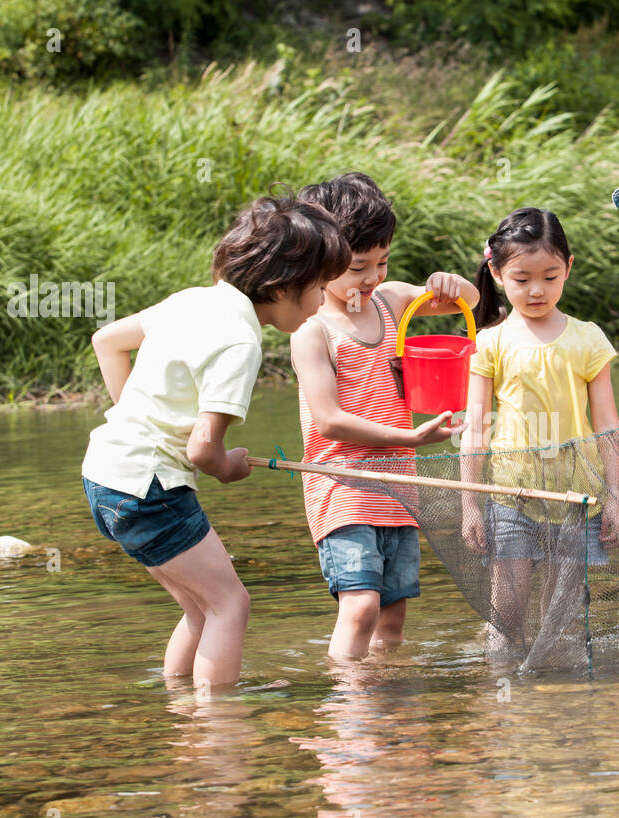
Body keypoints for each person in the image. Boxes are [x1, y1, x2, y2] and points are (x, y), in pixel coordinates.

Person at [82, 193, 349, 690]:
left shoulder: (191, 300)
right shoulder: (240, 342)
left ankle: (181, 707)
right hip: (149, 490)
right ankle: (218, 728)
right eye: (316, 289)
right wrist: (230, 466)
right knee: (230, 605)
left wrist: (135, 421)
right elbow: (204, 450)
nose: (319, 306)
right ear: (279, 286)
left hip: (104, 474)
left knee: (199, 608)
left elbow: (107, 340)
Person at [291, 172, 477, 661]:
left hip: (398, 487)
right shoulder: (311, 331)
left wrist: (454, 286)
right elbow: (328, 420)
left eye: (382, 262)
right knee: (360, 607)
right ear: (320, 261)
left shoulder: (393, 301)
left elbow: (468, 304)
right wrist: (410, 437)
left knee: (392, 615)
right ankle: (349, 710)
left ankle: (387, 708)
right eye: (357, 267)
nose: (371, 278)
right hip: (342, 485)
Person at [460, 207, 619, 651]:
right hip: (512, 492)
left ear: (568, 270)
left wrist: (618, 497)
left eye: (550, 277)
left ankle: (557, 706)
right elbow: (474, 429)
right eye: (522, 279)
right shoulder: (490, 342)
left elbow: (609, 426)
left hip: (579, 492)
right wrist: (470, 505)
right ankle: (502, 697)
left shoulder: (588, 339)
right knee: (507, 611)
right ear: (496, 272)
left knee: (563, 617)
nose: (537, 290)